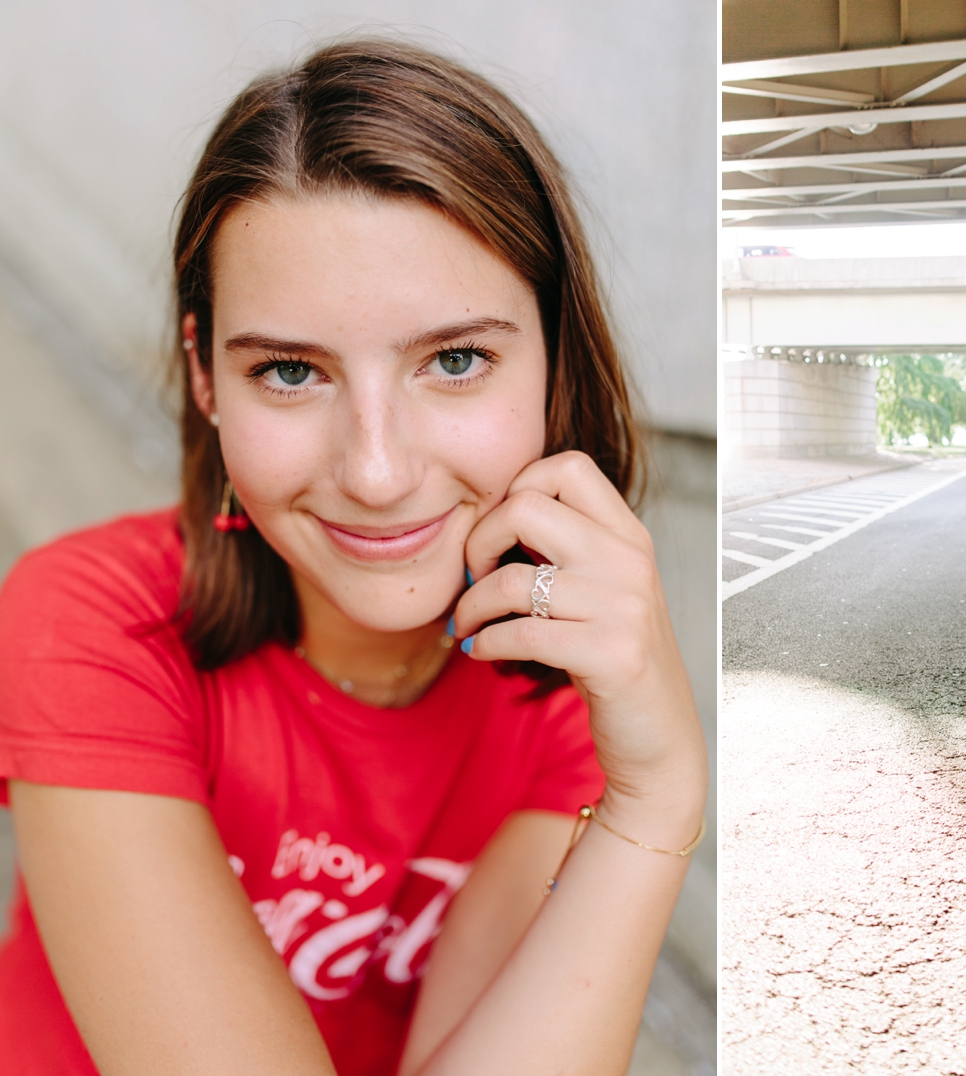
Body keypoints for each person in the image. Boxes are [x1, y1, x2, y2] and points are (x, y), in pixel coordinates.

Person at [0, 39, 707, 1076]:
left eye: (455, 360)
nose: (376, 471)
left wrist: (657, 793)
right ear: (204, 376)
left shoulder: (562, 691)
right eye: (291, 371)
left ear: (556, 360)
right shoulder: (88, 621)